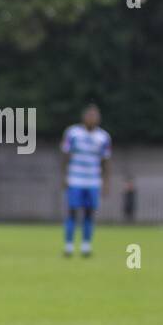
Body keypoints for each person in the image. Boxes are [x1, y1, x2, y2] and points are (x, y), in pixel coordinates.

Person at [61, 103, 110, 257]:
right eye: (90, 115)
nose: (92, 118)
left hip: (93, 180)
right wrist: (64, 176)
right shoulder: (73, 133)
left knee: (89, 213)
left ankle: (85, 246)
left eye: (95, 116)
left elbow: (106, 161)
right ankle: (68, 246)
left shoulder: (103, 137)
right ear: (84, 117)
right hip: (75, 178)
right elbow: (65, 156)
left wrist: (106, 182)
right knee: (72, 212)